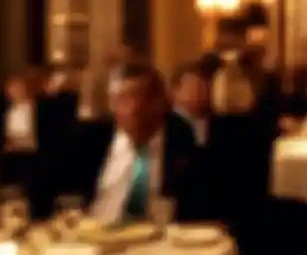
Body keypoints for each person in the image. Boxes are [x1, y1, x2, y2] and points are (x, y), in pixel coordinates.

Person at [73, 64, 198, 225]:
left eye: (141, 97)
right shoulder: (92, 141)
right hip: (99, 237)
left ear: (162, 102)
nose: (133, 108)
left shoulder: (182, 143)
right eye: (121, 99)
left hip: (162, 242)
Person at [172, 64, 214, 147]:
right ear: (175, 91)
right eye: (192, 86)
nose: (198, 93)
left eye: (204, 87)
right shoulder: (163, 125)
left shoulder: (219, 124)